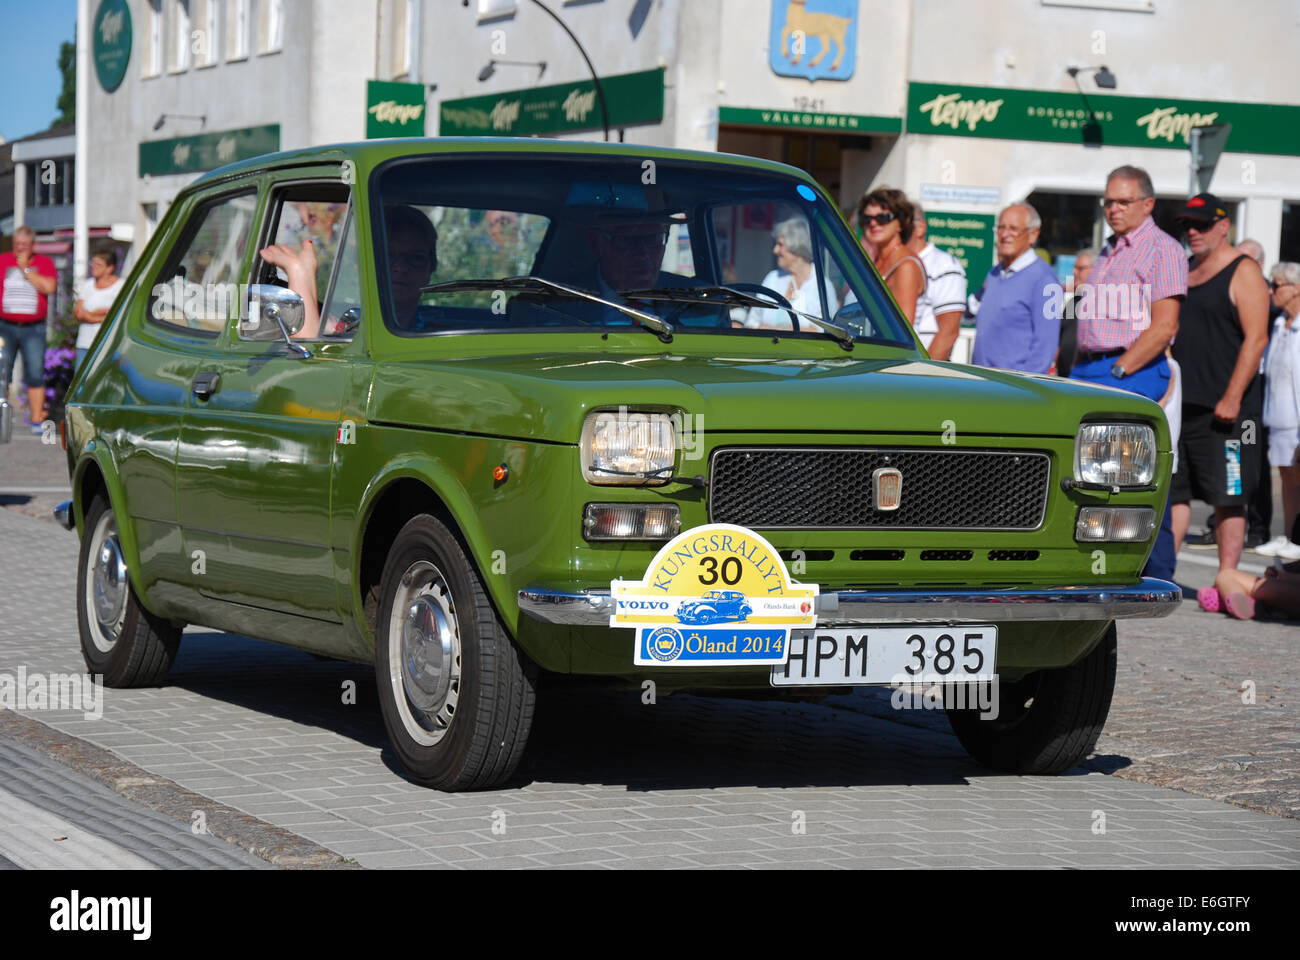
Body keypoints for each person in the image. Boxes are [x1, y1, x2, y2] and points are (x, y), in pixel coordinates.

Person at [1070, 165, 1187, 582]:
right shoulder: (1109, 249)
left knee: (1137, 476)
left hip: (1128, 368)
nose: (1113, 209)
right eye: (1108, 201)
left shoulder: (1163, 250)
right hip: (1091, 367)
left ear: (1147, 204)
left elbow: (1164, 326)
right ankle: (1094, 563)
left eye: (1123, 201)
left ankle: (1155, 573)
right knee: (1089, 477)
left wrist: (1119, 370)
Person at [1169, 193, 1270, 576]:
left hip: (1231, 414)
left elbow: (1256, 338)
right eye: (1186, 226)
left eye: (1201, 224)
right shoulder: (1185, 269)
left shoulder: (1243, 271)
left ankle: (1226, 576)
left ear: (1224, 226)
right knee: (1176, 494)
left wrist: (1231, 396)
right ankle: (1166, 570)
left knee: (1230, 496)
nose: (1192, 232)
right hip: (1184, 404)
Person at [261, 204, 437, 334]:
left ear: (431, 267)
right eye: (388, 257)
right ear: (366, 265)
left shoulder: (445, 331)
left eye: (416, 259)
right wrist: (299, 273)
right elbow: (307, 354)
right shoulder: (350, 321)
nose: (401, 268)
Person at [969, 202, 1061, 373]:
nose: (1005, 235)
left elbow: (1045, 348)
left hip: (1013, 391)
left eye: (1013, 229)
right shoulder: (994, 273)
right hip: (981, 384)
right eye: (1001, 228)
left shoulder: (1046, 280)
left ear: (1033, 235)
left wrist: (1025, 390)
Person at [1256, 262, 1300, 559]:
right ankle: (1289, 535)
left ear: (1296, 288)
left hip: (1297, 418)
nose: (1272, 290)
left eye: (1278, 284)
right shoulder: (1277, 323)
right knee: (1286, 476)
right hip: (1278, 416)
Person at [0, 225, 58, 432]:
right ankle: (2, 418)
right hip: (4, 326)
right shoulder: (3, 261)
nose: (20, 248)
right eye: (17, 244)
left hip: (33, 328)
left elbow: (50, 287)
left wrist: (25, 269)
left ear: (33, 245)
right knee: (1, 372)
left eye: (24, 245)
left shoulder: (44, 263)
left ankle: (36, 421)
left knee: (35, 372)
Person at [745, 217, 838, 332]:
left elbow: (822, 331)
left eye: (780, 244)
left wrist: (772, 329)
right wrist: (792, 330)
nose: (775, 250)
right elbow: (751, 324)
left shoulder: (822, 286)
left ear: (797, 246)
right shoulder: (772, 279)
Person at [906, 205, 966, 360]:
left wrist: (923, 375)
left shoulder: (944, 265)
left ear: (920, 228)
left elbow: (949, 332)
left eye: (902, 223)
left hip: (917, 376)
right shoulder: (887, 264)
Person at [858, 187, 924, 326]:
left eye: (882, 218)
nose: (873, 223)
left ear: (901, 223)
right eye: (867, 218)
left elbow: (904, 329)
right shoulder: (875, 260)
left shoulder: (906, 266)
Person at [73, 249, 124, 370]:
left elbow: (117, 315)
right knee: (81, 384)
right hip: (85, 344)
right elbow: (78, 313)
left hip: (108, 344)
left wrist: (88, 315)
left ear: (110, 268)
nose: (93, 267)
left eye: (98, 264)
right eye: (93, 264)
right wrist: (100, 313)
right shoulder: (88, 285)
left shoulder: (120, 286)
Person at [1056, 247, 1096, 375]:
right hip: (1064, 377)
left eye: (1080, 269)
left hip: (1087, 377)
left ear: (1096, 269)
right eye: (1074, 268)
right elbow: (1060, 339)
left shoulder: (1105, 305)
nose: (1074, 272)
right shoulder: (1073, 302)